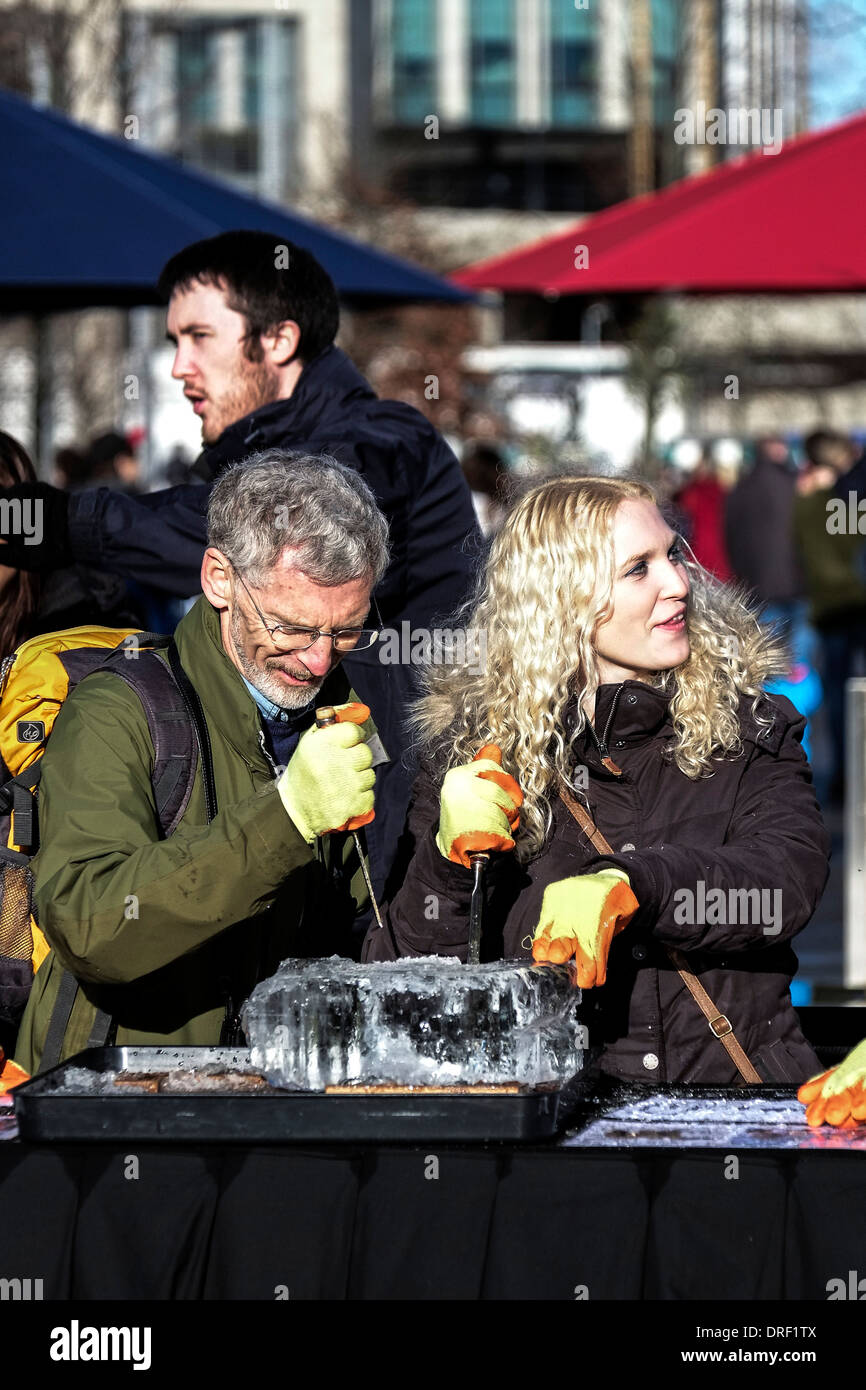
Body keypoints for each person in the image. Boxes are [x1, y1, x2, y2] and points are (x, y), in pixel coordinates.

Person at [0, 230, 481, 897]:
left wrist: (54, 522)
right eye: (173, 342)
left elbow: (280, 525)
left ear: (277, 341)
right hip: (318, 805)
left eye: (198, 337)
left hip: (397, 835)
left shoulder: (381, 439)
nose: (178, 367)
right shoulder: (246, 457)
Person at [366, 476, 830, 1085]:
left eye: (672, 553)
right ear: (564, 602)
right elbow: (401, 984)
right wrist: (448, 866)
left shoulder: (748, 725)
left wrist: (635, 884)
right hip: (556, 1135)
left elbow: (784, 883)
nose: (679, 583)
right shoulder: (474, 756)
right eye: (638, 569)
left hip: (730, 1116)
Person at [14, 452, 389, 1073]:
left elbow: (363, 931)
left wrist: (449, 863)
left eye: (347, 632)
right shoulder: (117, 711)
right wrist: (287, 817)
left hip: (270, 1104)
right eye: (292, 627)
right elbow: (90, 922)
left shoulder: (341, 714)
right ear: (219, 579)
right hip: (113, 1105)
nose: (320, 662)